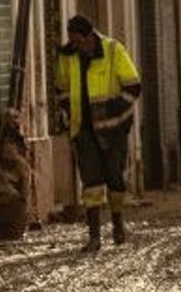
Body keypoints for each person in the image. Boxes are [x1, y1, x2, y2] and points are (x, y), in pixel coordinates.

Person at [54, 15, 143, 251]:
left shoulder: (114, 51)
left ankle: (117, 224)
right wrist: (68, 109)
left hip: (113, 128)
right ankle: (94, 236)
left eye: (80, 42)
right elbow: (61, 89)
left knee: (115, 178)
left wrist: (113, 109)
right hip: (83, 129)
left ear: (90, 36)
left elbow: (134, 87)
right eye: (73, 42)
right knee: (91, 181)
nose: (77, 47)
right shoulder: (67, 56)